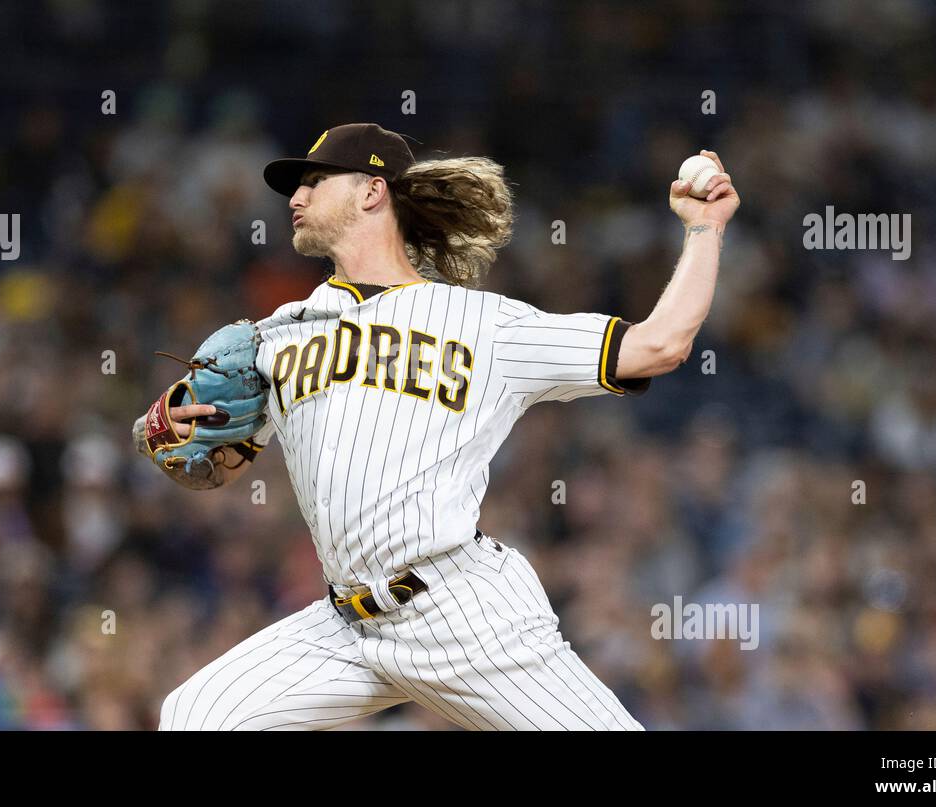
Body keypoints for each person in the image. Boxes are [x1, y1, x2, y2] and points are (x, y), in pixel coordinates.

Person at [154, 123, 738, 730]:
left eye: (314, 181)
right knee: (196, 715)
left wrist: (704, 228)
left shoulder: (482, 323)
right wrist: (182, 442)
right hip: (346, 625)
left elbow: (659, 345)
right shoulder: (278, 334)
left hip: (461, 611)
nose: (295, 198)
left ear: (372, 191)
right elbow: (216, 468)